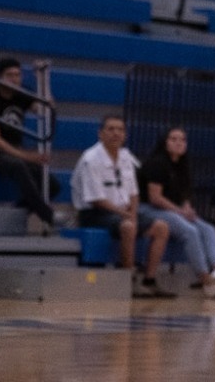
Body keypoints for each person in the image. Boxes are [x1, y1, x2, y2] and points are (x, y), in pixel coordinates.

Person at [137, 127, 215, 296]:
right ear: (164, 142)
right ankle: (205, 279)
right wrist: (180, 211)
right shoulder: (157, 163)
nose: (179, 143)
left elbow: (184, 193)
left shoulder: (182, 165)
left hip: (172, 210)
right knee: (190, 231)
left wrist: (186, 206)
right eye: (173, 139)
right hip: (149, 209)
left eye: (182, 140)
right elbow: (155, 198)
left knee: (208, 228)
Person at [73, 114, 172, 297]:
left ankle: (149, 280)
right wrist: (126, 215)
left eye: (120, 129)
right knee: (128, 226)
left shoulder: (126, 157)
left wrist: (132, 212)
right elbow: (96, 200)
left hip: (121, 212)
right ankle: (129, 281)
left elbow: (134, 193)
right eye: (110, 129)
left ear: (125, 134)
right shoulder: (91, 159)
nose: (116, 133)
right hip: (95, 213)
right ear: (100, 134)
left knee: (161, 227)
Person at [0, 57, 56, 230]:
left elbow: (45, 109)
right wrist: (27, 156)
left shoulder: (21, 94)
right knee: (19, 165)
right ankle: (48, 215)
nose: (14, 79)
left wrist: (41, 79)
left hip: (15, 150)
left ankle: (18, 211)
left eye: (18, 75)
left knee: (52, 183)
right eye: (9, 75)